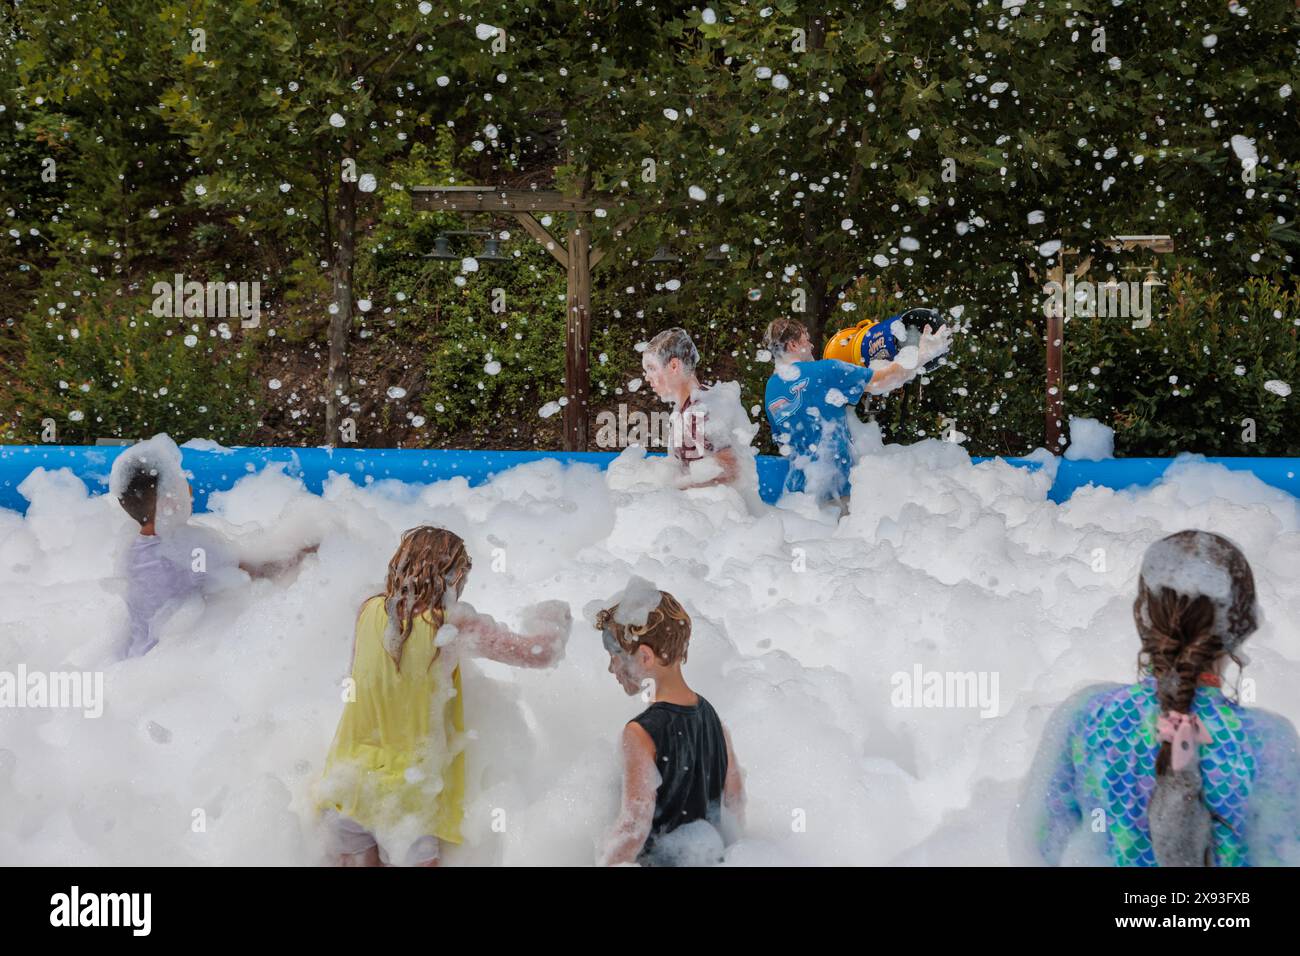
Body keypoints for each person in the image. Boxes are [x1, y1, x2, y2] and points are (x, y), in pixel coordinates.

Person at [1017, 530, 1300, 866]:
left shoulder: (1087, 716)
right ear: (1243, 625)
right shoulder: (1267, 742)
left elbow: (1039, 846)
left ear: (1144, 617)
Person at [317, 526, 572, 866]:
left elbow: (359, 679)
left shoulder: (367, 611)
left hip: (346, 785)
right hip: (411, 795)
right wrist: (553, 618)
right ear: (453, 577)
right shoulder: (451, 625)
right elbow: (540, 653)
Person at [113, 434, 315, 659]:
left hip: (136, 657)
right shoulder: (191, 547)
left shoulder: (131, 547)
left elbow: (194, 580)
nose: (189, 490)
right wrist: (299, 558)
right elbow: (253, 573)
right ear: (169, 501)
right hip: (179, 658)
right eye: (181, 483)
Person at [593, 578, 744, 866]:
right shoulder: (712, 717)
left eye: (615, 657)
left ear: (645, 656)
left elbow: (633, 827)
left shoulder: (640, 732)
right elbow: (734, 801)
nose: (612, 668)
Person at [763, 317, 952, 510]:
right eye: (806, 339)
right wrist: (923, 354)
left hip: (797, 499)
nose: (811, 345)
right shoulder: (825, 370)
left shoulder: (771, 389)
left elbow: (784, 443)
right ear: (793, 344)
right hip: (836, 493)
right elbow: (886, 380)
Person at [641, 327, 746, 489]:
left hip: (719, 509)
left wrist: (676, 485)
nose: (647, 377)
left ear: (674, 366)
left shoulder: (703, 409)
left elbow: (731, 470)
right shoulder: (684, 409)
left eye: (652, 368)